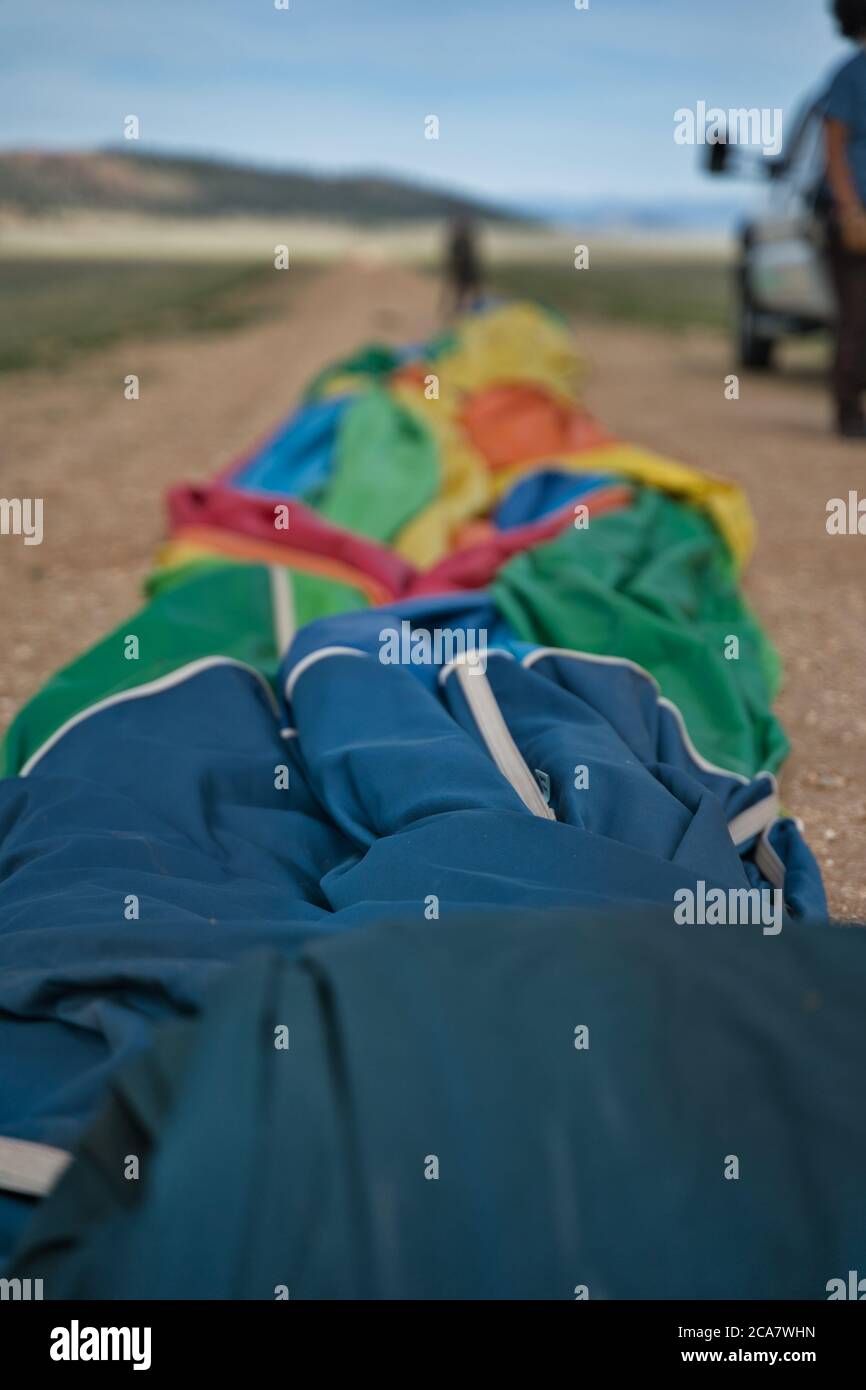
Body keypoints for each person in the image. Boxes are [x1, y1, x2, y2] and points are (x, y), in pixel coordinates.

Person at [824, 1, 866, 437]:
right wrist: (850, 210)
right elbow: (832, 146)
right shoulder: (852, 74)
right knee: (857, 314)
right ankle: (849, 412)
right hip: (856, 213)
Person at [444, 218, 482, 316]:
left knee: (472, 289)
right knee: (461, 290)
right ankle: (459, 309)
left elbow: (470, 256)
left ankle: (475, 306)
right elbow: (453, 258)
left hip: (468, 269)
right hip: (461, 270)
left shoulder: (465, 241)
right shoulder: (457, 242)